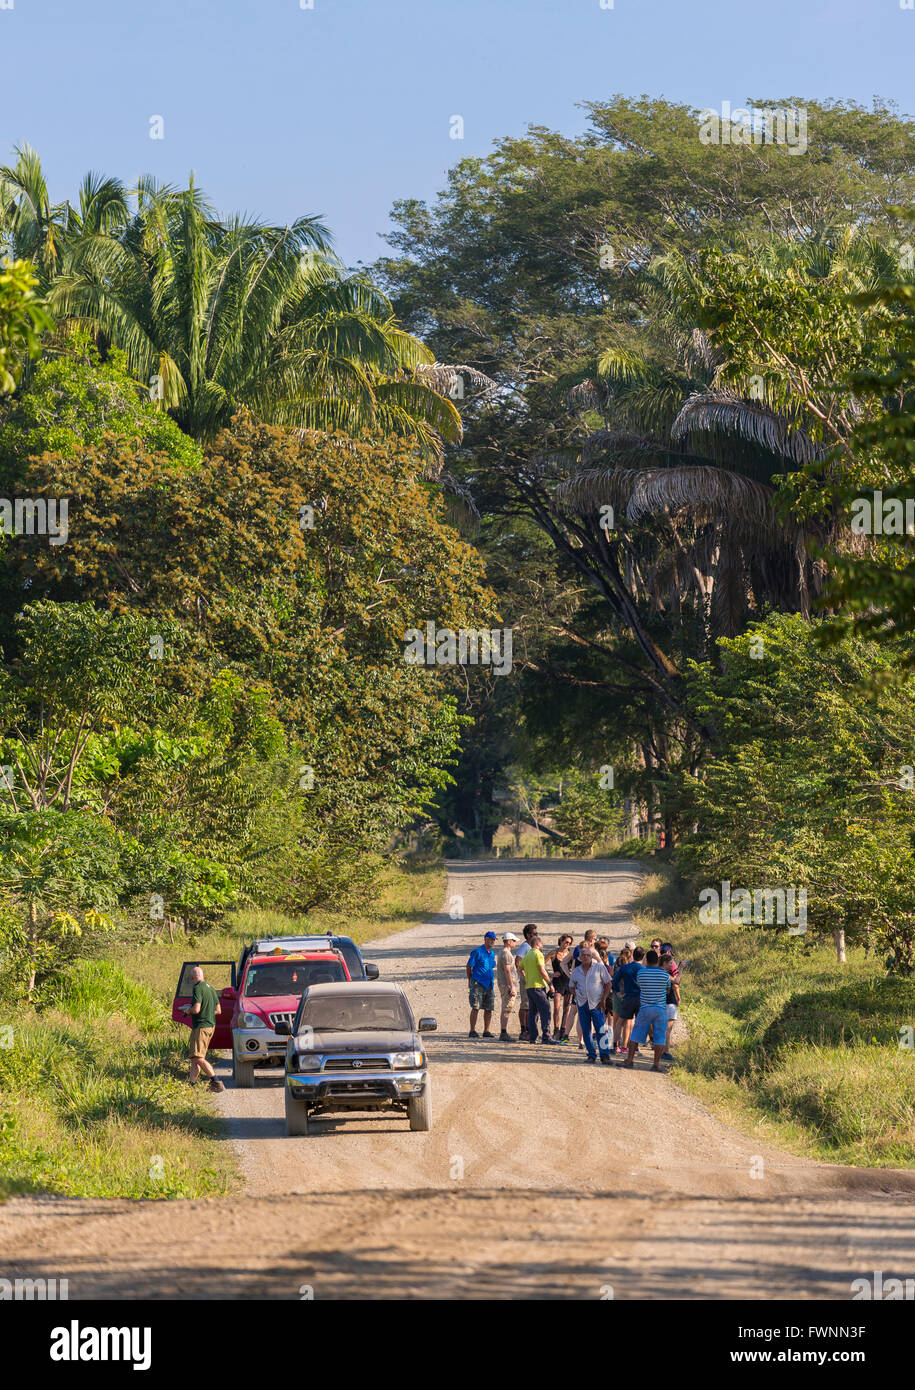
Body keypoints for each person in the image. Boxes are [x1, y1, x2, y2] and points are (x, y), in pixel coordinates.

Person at [621, 949, 669, 1071]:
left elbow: (640, 986)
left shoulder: (641, 973)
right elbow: (668, 990)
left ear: (646, 960)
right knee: (660, 1037)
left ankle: (630, 1060)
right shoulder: (665, 975)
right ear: (658, 960)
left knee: (636, 1034)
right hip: (660, 1009)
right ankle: (656, 1064)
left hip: (645, 1007)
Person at [184, 965, 226, 1092]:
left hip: (201, 1027)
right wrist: (206, 1012)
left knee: (197, 1057)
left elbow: (196, 1009)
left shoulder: (197, 988)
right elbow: (218, 1010)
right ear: (203, 975)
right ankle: (191, 1086)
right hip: (210, 1026)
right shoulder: (210, 988)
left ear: (192, 977)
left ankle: (216, 1081)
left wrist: (187, 1011)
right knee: (195, 1059)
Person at [569, 946, 613, 1065]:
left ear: (592, 957)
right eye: (583, 956)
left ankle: (605, 1055)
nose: (586, 957)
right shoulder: (576, 971)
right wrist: (577, 995)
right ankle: (591, 1055)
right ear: (580, 958)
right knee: (586, 1030)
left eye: (588, 955)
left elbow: (608, 983)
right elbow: (571, 986)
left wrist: (603, 999)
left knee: (601, 1030)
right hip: (582, 1004)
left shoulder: (599, 968)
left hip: (597, 1004)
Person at [521, 931, 555, 1044]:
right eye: (542, 944)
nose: (543, 946)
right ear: (538, 944)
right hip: (538, 987)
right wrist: (550, 984)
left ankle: (533, 1037)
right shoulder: (538, 954)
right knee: (546, 1010)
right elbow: (542, 970)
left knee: (533, 1012)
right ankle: (546, 1036)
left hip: (529, 987)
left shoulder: (527, 956)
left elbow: (519, 968)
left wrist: (526, 978)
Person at [466, 931, 497, 1038]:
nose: (492, 941)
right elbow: (469, 966)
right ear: (485, 939)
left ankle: (486, 1031)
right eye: (490, 939)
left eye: (493, 939)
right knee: (476, 1007)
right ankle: (472, 1030)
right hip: (478, 982)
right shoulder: (477, 951)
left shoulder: (492, 953)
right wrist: (470, 979)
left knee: (489, 1008)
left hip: (489, 983)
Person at [613, 945, 644, 1053]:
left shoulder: (625, 968)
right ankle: (630, 1046)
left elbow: (615, 980)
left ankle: (615, 1045)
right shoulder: (644, 969)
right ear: (643, 957)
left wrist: (617, 992)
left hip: (628, 996)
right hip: (640, 998)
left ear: (633, 955)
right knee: (636, 1023)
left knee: (620, 1022)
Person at [546, 933, 576, 1041]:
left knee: (566, 1008)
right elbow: (540, 965)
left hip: (568, 982)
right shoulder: (553, 953)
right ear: (561, 941)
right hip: (557, 982)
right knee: (556, 1007)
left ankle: (563, 1030)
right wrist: (551, 974)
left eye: (569, 943)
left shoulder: (570, 954)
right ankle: (556, 1030)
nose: (567, 944)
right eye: (566, 942)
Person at [515, 923, 536, 1040]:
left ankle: (527, 1029)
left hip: (531, 980)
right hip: (526, 980)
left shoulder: (530, 946)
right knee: (525, 1005)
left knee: (528, 1006)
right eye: (534, 934)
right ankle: (524, 1030)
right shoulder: (525, 947)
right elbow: (517, 961)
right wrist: (524, 976)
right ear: (528, 935)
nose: (536, 936)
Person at [497, 932, 520, 1042]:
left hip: (504, 984)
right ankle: (503, 1032)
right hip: (507, 985)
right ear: (509, 941)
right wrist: (511, 986)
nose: (515, 943)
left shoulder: (503, 952)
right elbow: (507, 970)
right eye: (514, 941)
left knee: (506, 1008)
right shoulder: (506, 953)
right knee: (507, 1008)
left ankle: (503, 1031)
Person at [610, 945, 632, 1053]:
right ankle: (625, 1046)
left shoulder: (616, 965)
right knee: (627, 1022)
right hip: (627, 995)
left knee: (616, 1022)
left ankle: (615, 1045)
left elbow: (612, 977)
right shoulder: (629, 967)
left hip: (617, 994)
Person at [660, 950, 680, 1062]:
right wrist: (681, 969)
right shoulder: (666, 975)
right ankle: (666, 1051)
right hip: (669, 1002)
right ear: (664, 963)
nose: (672, 965)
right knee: (668, 1029)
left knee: (663, 1028)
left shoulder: (657, 972)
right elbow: (677, 982)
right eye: (670, 963)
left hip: (661, 1003)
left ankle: (662, 1048)